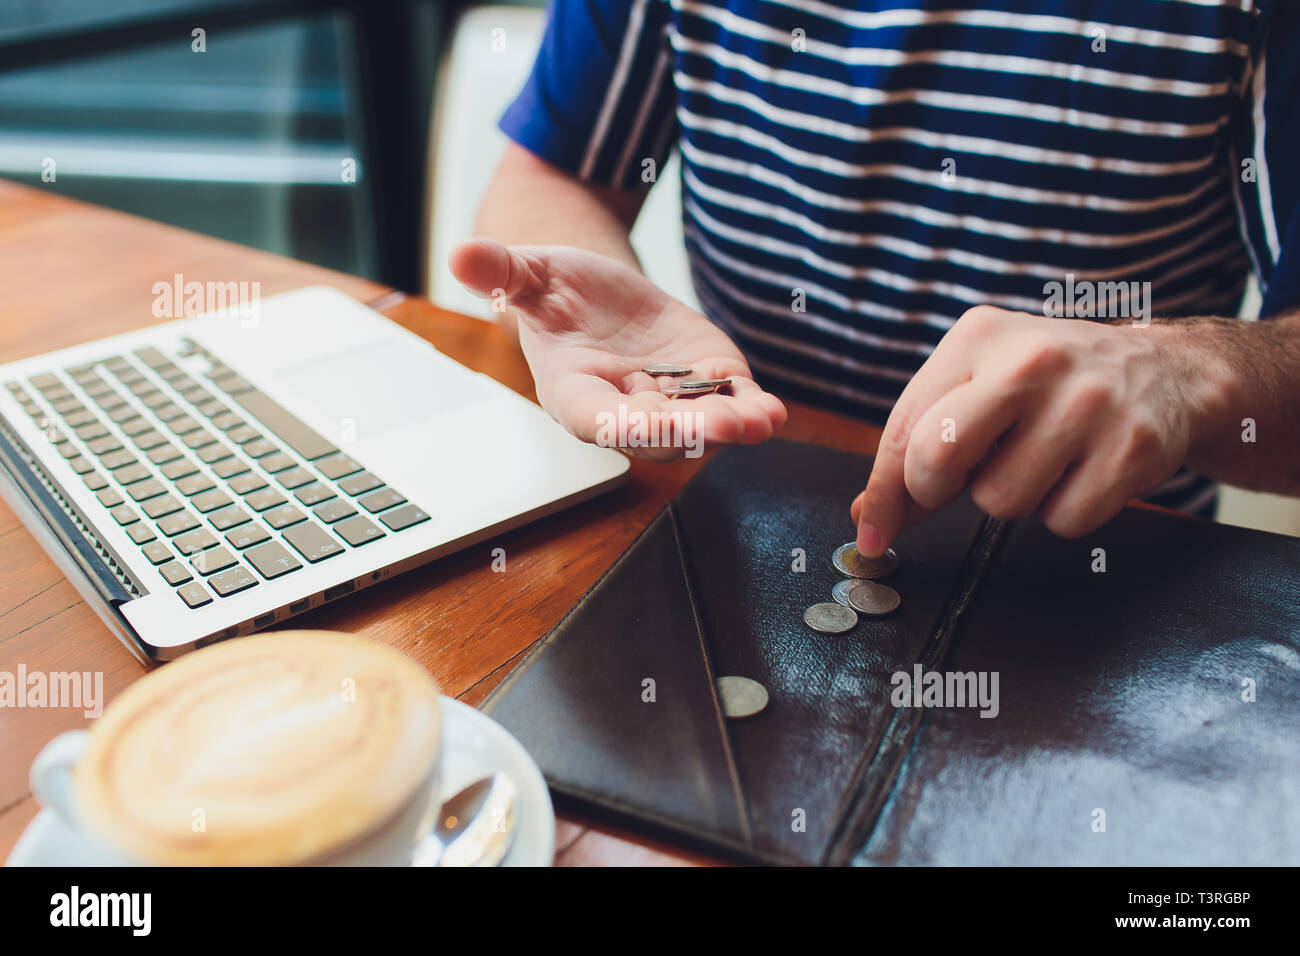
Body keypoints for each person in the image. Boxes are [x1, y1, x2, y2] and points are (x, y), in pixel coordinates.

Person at [450, 0, 1298, 560]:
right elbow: (554, 176)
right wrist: (564, 297)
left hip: (1100, 585)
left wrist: (1186, 374)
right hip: (732, 527)